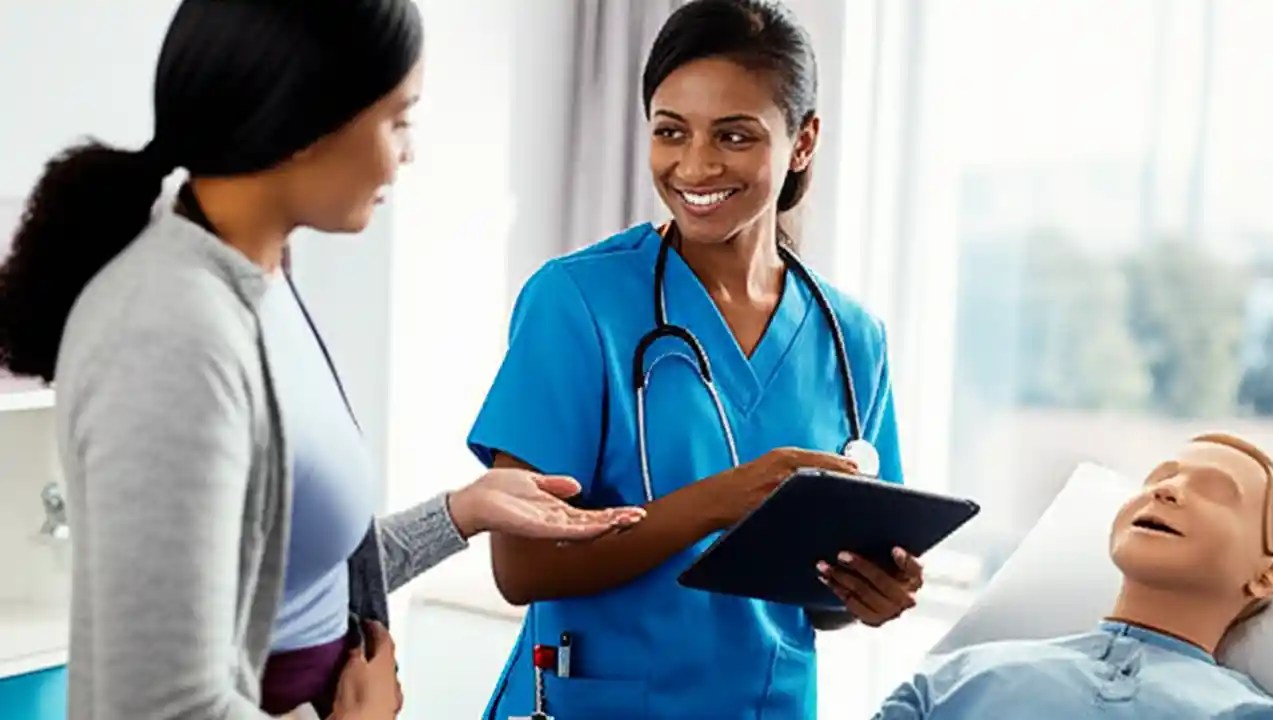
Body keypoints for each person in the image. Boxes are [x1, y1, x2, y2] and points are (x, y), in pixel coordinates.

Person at [0, 2, 644, 719]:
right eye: (398, 120)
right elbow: (160, 704)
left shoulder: (261, 279)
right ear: (305, 119)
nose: (407, 153)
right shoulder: (171, 335)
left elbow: (292, 584)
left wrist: (461, 513)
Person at [466, 1, 922, 717]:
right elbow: (520, 568)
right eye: (670, 131)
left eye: (734, 135)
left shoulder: (852, 339)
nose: (695, 165)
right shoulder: (577, 302)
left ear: (803, 141)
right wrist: (722, 500)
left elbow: (825, 597)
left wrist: (868, 592)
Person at [875, 433, 1273, 719]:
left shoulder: (1248, 713)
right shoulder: (952, 679)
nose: (1165, 491)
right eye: (1158, 479)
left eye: (1214, 491)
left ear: (1268, 576)